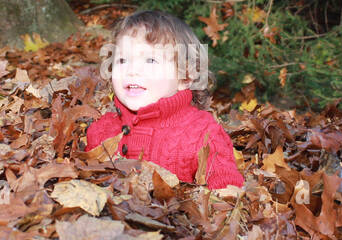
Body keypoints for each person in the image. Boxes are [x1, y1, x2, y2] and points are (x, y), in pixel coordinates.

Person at [86, 10, 244, 190]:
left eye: (150, 60)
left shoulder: (203, 134)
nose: (132, 70)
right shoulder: (101, 130)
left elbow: (226, 187)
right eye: (122, 60)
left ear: (185, 77)